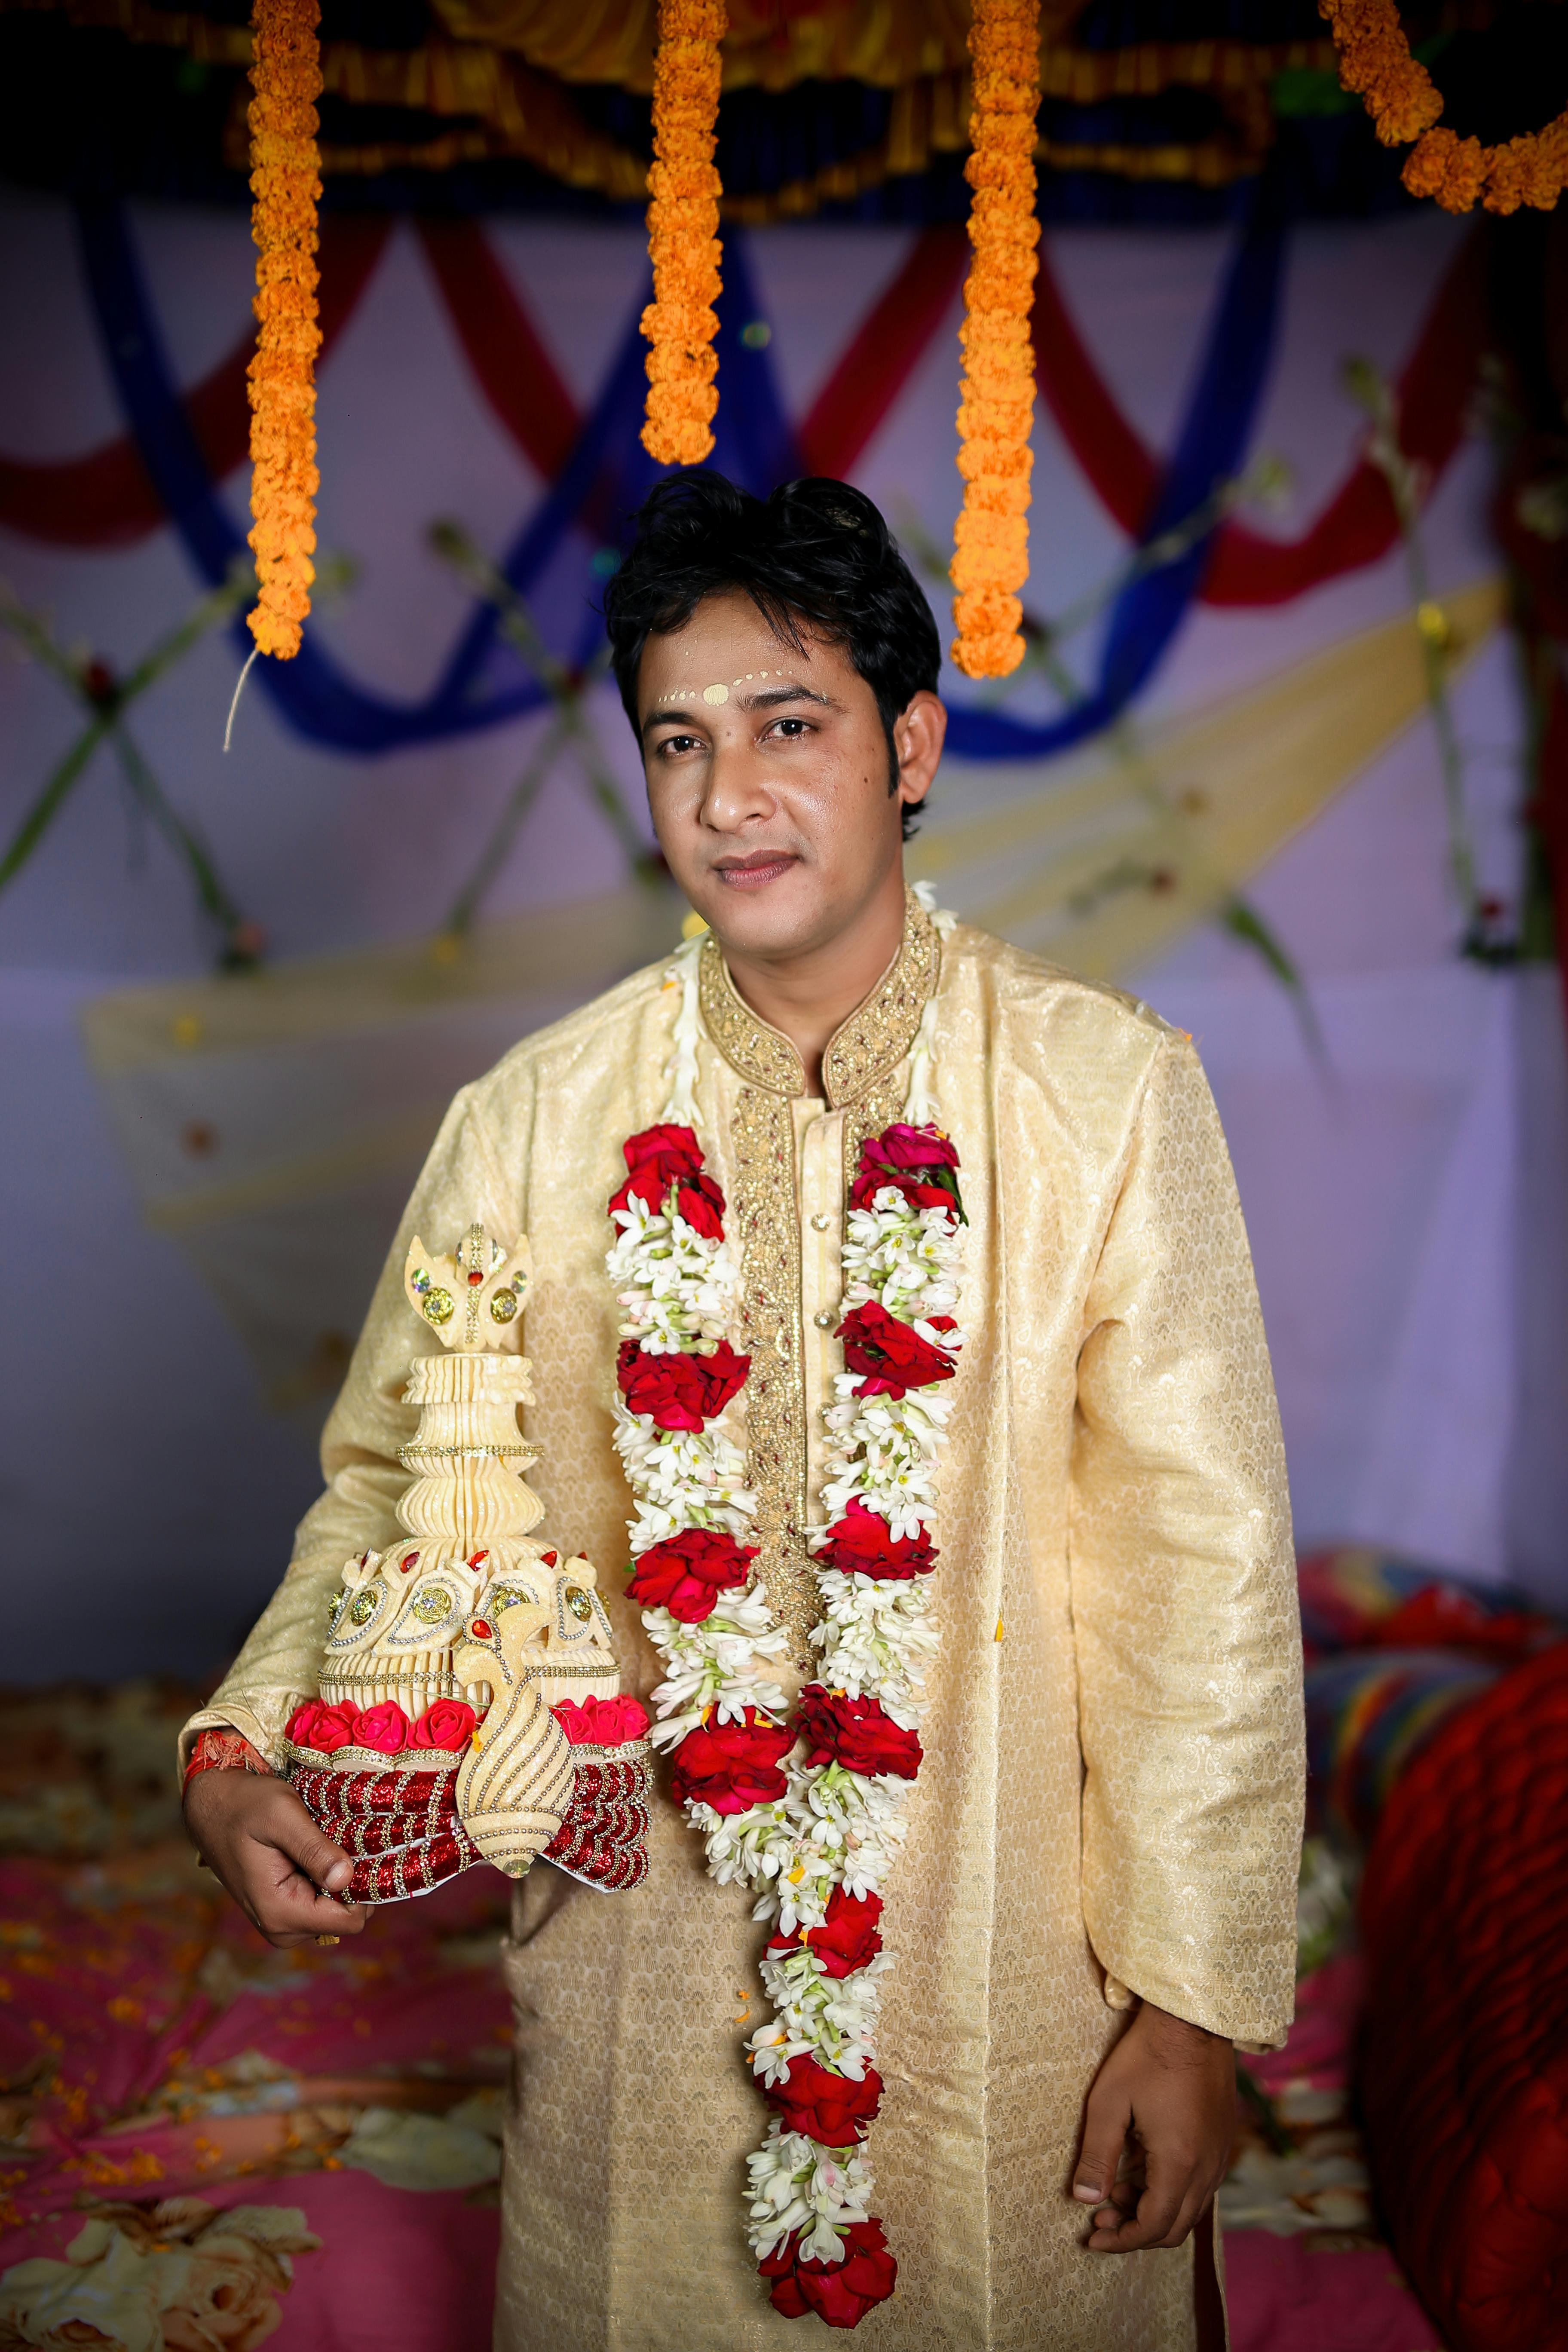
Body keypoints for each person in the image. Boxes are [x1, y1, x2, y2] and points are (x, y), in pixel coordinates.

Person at [181, 472, 1304, 2350]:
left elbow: (1205, 1566)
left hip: (1020, 1982)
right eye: (677, 742)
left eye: (793, 726)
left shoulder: (1105, 1097)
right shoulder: (535, 1123)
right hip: (646, 1984)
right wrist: (242, 1743)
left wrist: (1188, 2011)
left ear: (913, 744)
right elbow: (400, 1479)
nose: (730, 796)